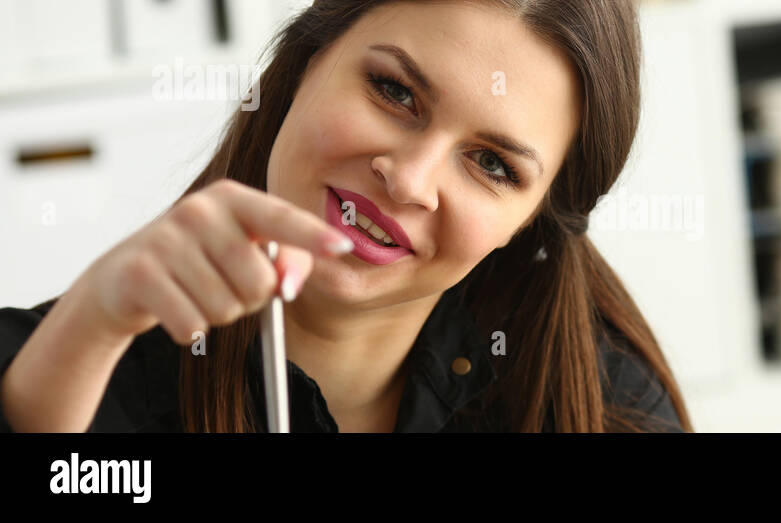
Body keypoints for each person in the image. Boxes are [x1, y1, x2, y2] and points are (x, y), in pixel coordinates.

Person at [0, 0, 691, 433]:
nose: (410, 179)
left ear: (532, 222)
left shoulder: (607, 408)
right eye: (394, 91)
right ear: (305, 61)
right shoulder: (72, 361)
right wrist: (89, 329)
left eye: (492, 164)